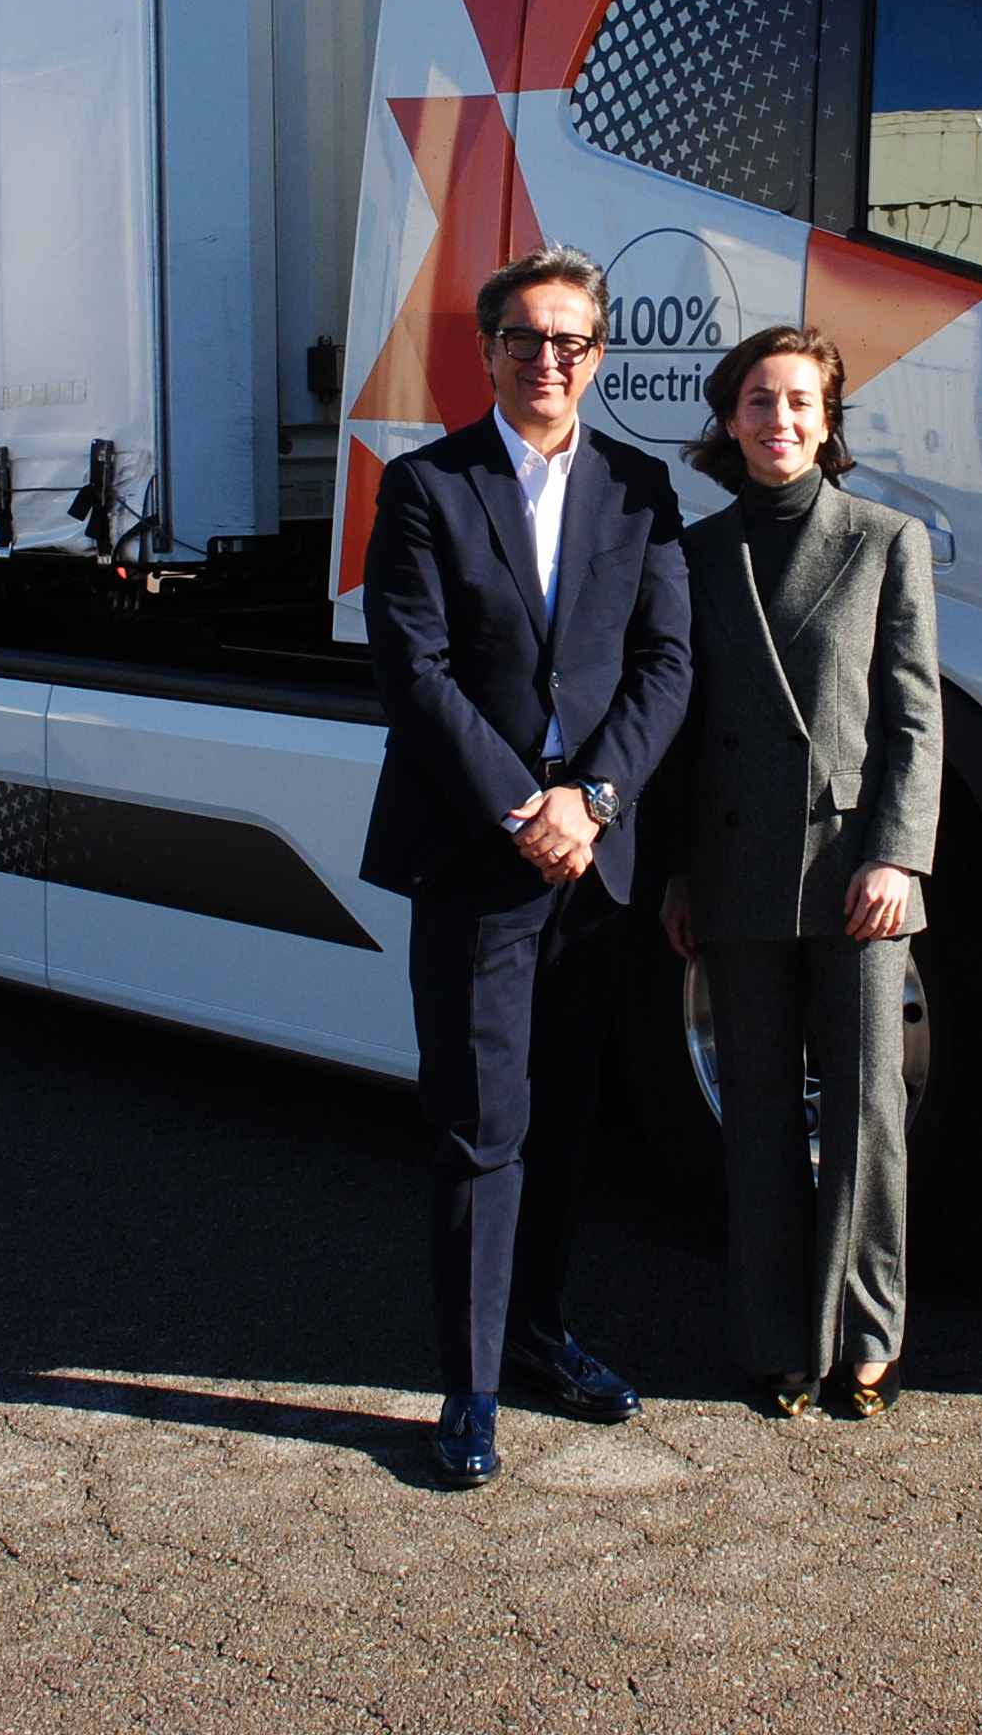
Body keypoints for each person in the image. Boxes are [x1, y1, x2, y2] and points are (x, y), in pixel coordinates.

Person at [359, 246, 692, 1488]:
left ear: (597, 356)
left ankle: (542, 1335)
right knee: (478, 1127)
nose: (548, 360)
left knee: (562, 1126)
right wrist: (522, 806)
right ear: (486, 352)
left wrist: (592, 802)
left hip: (592, 863)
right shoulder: (424, 488)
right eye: (523, 339)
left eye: (571, 341)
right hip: (477, 855)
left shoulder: (642, 490)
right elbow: (414, 673)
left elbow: (666, 665)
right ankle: (470, 1387)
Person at [656, 324, 940, 1420]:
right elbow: (683, 733)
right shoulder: (692, 553)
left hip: (851, 874)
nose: (780, 422)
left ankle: (867, 1337)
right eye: (759, 403)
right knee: (760, 1114)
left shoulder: (882, 540)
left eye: (801, 404)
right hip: (731, 870)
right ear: (729, 421)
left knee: (869, 1112)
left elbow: (914, 717)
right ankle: (774, 1336)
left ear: (829, 423)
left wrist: (898, 857)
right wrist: (679, 875)